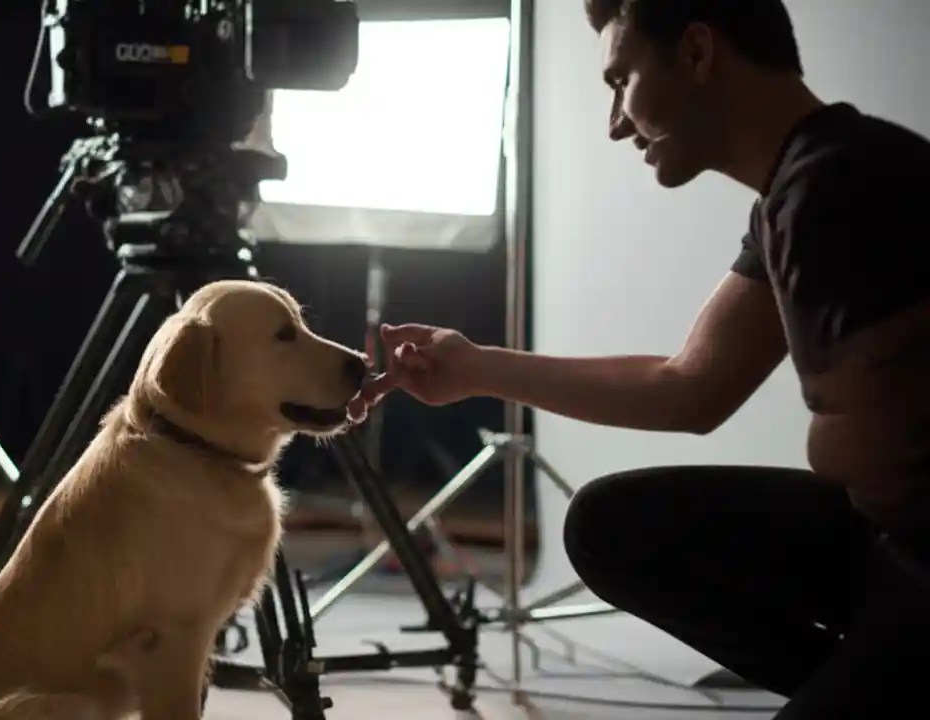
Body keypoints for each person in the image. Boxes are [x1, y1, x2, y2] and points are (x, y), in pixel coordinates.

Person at [347, 1, 930, 717]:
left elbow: (881, 450)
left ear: (695, 52)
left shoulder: (843, 183)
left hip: (922, 557)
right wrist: (474, 369)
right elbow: (688, 387)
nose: (616, 122)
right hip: (884, 542)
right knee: (610, 526)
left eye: (620, 81)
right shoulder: (794, 191)